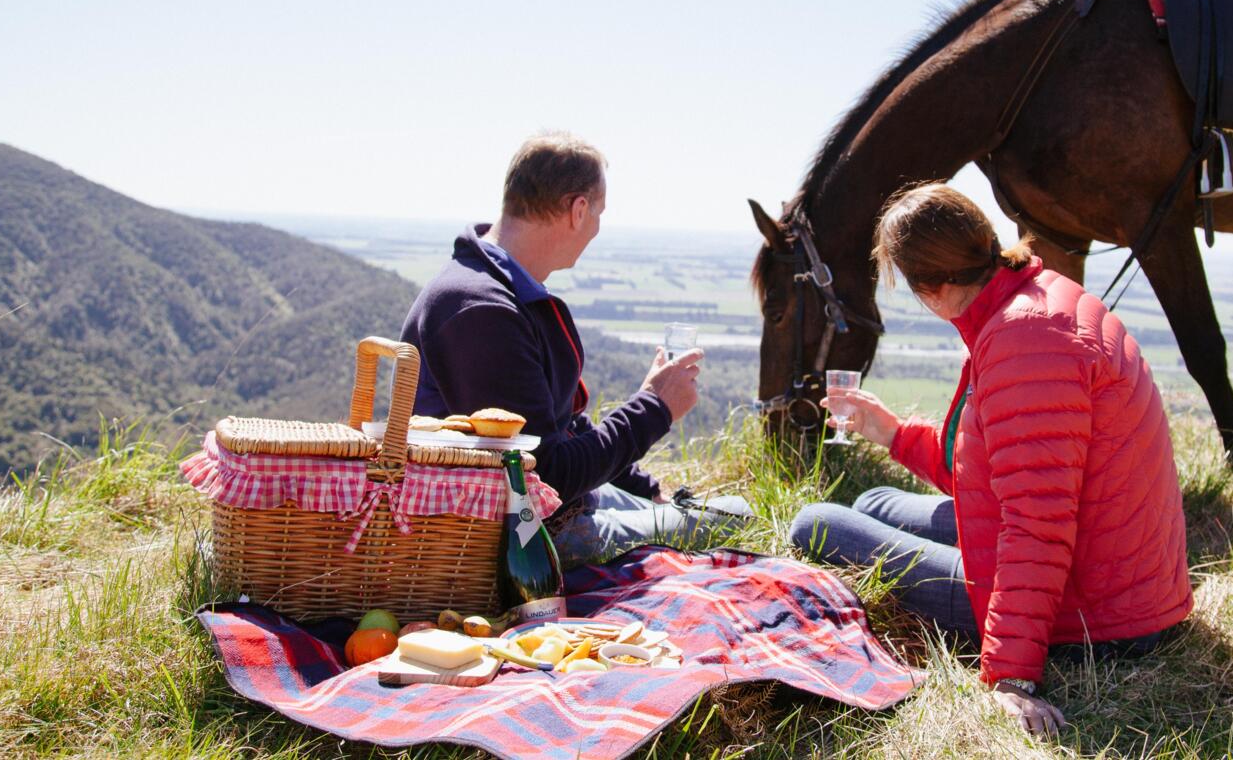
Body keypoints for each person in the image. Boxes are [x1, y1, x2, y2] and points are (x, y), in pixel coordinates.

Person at [787, 184, 1191, 738]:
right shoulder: (1033, 297)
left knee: (818, 524)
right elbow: (1000, 471)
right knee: (871, 501)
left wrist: (1012, 676)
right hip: (1107, 561)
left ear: (932, 287)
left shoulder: (1025, 342)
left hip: (1096, 614)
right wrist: (894, 435)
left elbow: (1038, 522)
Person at [399, 132, 748, 567]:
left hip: (552, 508)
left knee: (697, 510)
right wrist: (654, 408)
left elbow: (562, 426)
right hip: (520, 536)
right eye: (598, 213)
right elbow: (545, 477)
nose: (597, 227)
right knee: (737, 516)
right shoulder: (481, 310)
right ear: (578, 209)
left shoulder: (494, 288)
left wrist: (644, 487)